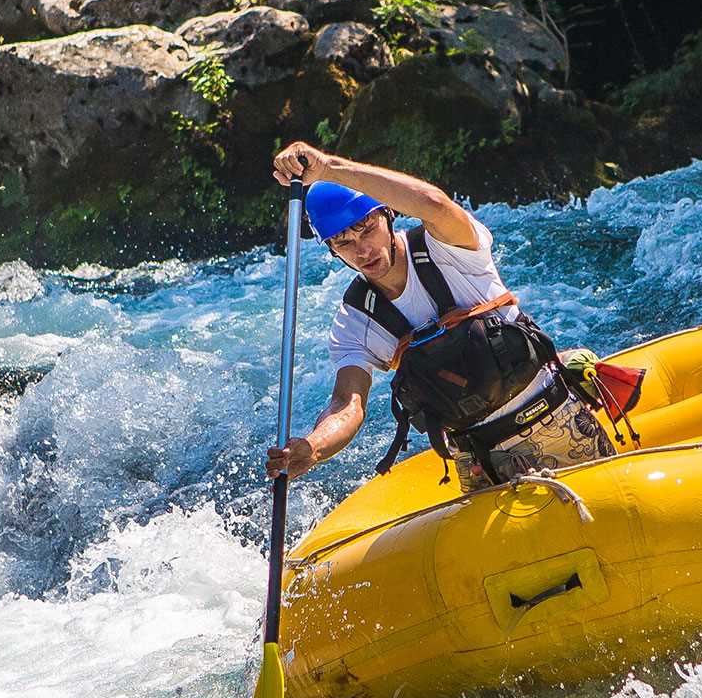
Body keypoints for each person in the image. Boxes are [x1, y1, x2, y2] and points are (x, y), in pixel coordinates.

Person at [263, 142, 613, 491]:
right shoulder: (355, 320)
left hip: (553, 423)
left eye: (367, 228)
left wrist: (328, 168)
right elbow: (346, 405)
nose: (363, 249)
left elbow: (434, 204)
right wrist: (314, 447)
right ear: (331, 249)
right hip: (477, 460)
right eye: (344, 242)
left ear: (388, 214)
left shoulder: (448, 246)